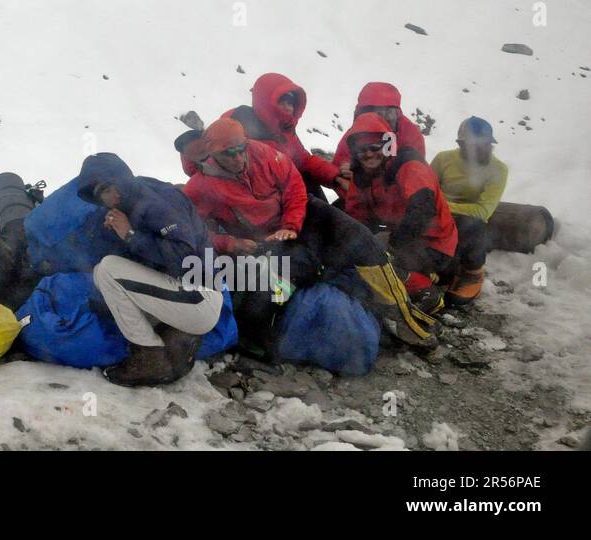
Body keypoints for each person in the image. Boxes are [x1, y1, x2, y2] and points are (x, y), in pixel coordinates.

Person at [185, 117, 438, 350]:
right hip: (265, 240)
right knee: (283, 281)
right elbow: (193, 229)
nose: (239, 157)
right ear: (213, 154)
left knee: (360, 239)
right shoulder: (201, 186)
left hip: (299, 216)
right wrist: (230, 243)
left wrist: (291, 225)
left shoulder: (262, 153)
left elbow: (294, 185)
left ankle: (401, 315)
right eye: (229, 153)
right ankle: (262, 333)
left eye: (241, 148)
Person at [76, 153, 222, 387]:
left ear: (121, 178)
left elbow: (186, 259)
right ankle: (173, 341)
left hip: (201, 297)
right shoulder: (131, 202)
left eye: (107, 188)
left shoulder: (156, 201)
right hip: (185, 295)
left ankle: (150, 357)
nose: (108, 198)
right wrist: (114, 234)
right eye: (100, 195)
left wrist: (130, 235)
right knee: (102, 272)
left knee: (107, 270)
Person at [337, 114, 460, 313]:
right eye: (362, 150)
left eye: (374, 147)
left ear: (387, 145)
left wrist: (390, 247)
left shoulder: (409, 166)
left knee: (377, 263)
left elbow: (422, 212)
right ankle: (423, 274)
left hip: (435, 242)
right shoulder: (362, 176)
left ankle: (425, 291)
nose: (368, 154)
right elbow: (356, 214)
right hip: (402, 234)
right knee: (356, 256)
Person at [222, 73, 343, 195]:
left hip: (291, 192)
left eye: (290, 103)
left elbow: (303, 160)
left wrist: (336, 176)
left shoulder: (285, 129)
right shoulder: (239, 129)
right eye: (281, 102)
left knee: (310, 179)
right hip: (264, 199)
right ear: (266, 102)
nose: (287, 107)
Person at [429, 117, 507, 306]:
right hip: (437, 219)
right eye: (476, 145)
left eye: (486, 144)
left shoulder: (498, 169)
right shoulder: (443, 159)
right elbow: (426, 192)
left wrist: (443, 206)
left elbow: (483, 211)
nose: (483, 148)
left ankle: (472, 273)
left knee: (472, 224)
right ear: (461, 144)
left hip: (469, 226)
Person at [332, 82, 426, 177]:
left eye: (388, 112)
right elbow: (339, 161)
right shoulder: (356, 132)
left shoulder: (410, 135)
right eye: (374, 112)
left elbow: (414, 172)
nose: (381, 119)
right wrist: (347, 168)